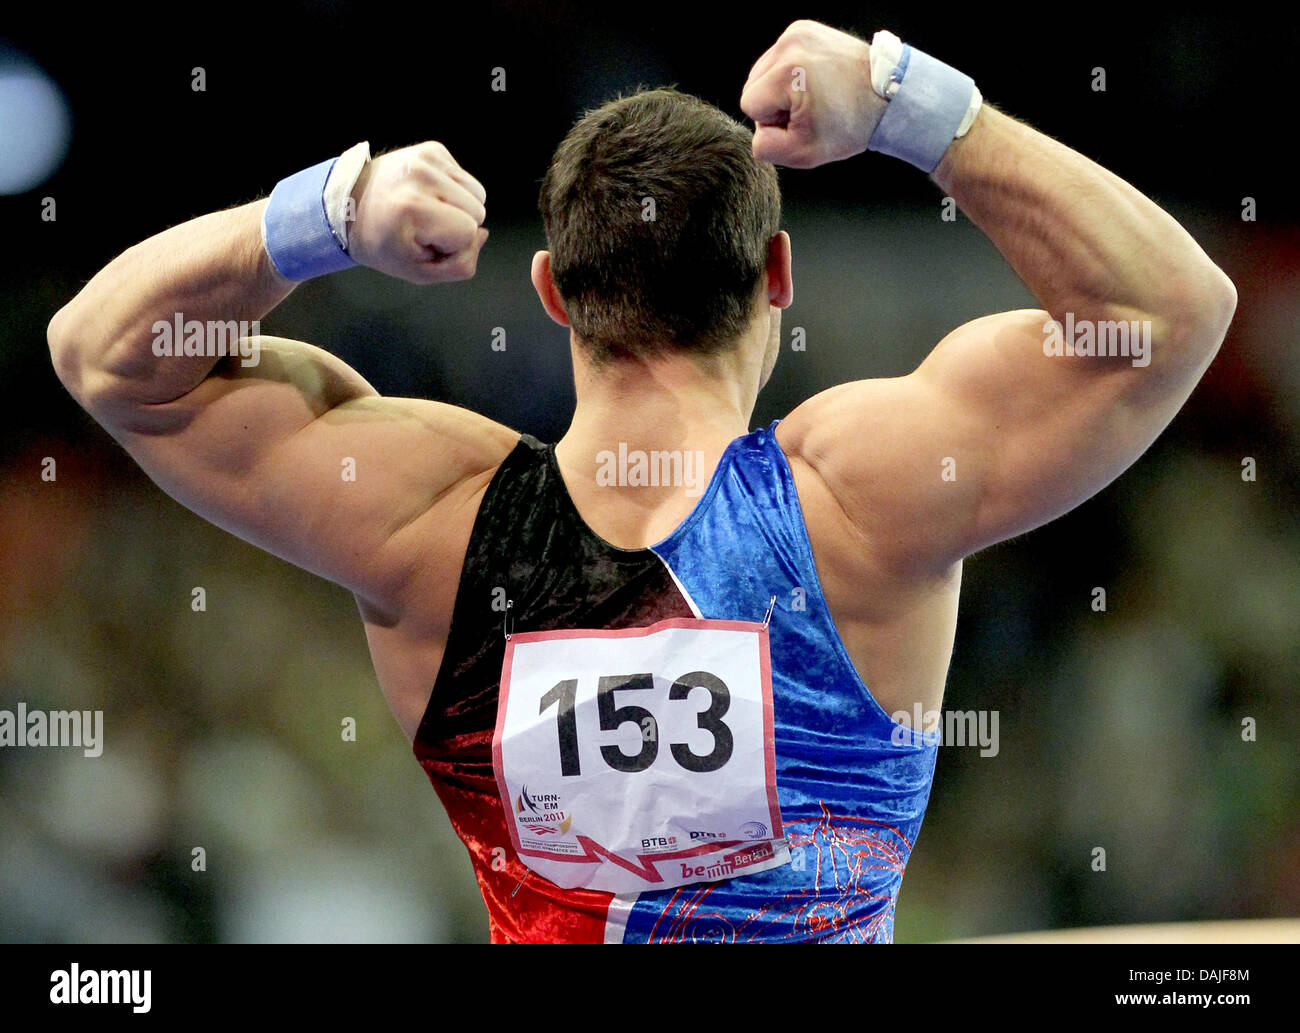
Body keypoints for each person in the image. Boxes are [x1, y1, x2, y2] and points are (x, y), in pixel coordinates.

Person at [47, 20, 1235, 942]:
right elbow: (1170, 312)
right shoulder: (858, 496)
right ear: (776, 273)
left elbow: (105, 355)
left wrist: (323, 215)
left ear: (554, 290)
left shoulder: (426, 519)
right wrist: (906, 104)